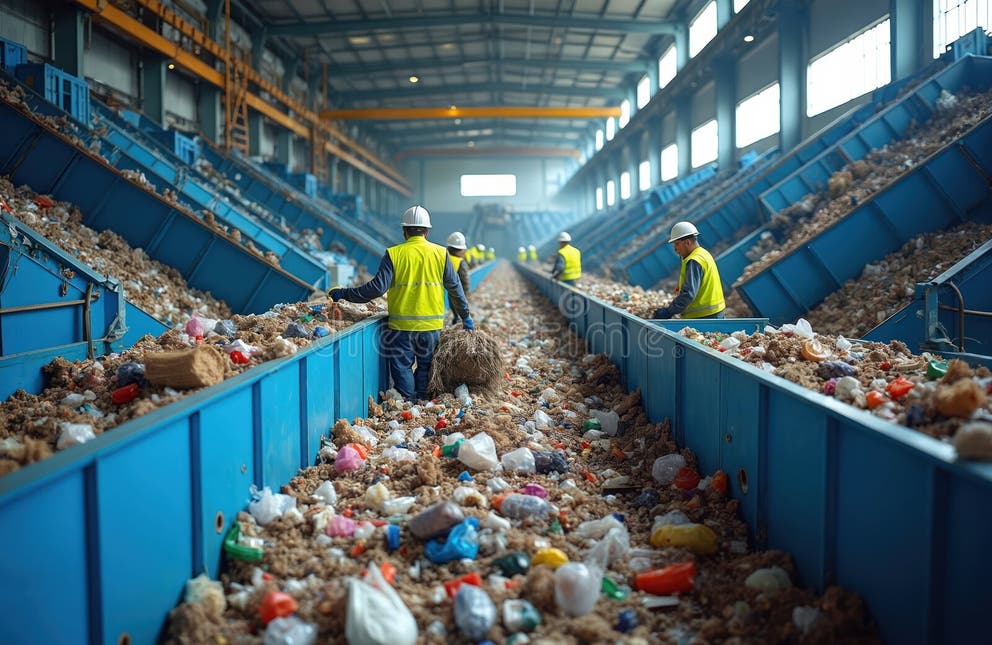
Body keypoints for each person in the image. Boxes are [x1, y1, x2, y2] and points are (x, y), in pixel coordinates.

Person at [330, 206, 473, 402]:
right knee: (426, 366)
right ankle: (421, 403)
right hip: (431, 327)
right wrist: (466, 316)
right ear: (426, 231)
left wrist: (343, 294)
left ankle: (407, 402)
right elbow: (456, 288)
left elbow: (376, 289)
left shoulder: (394, 254)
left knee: (402, 367)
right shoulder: (441, 254)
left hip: (401, 328)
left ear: (404, 230)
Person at [652, 221, 726, 320]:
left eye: (677, 244)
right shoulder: (703, 253)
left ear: (687, 242)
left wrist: (669, 311)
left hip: (704, 316)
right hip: (714, 312)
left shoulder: (694, 261)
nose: (675, 249)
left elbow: (689, 294)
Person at [446, 231, 471, 324]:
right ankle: (458, 324)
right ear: (460, 250)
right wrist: (467, 294)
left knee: (453, 309)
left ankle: (455, 320)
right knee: (459, 312)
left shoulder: (443, 257)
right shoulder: (461, 262)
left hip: (446, 291)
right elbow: (465, 280)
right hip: (458, 291)